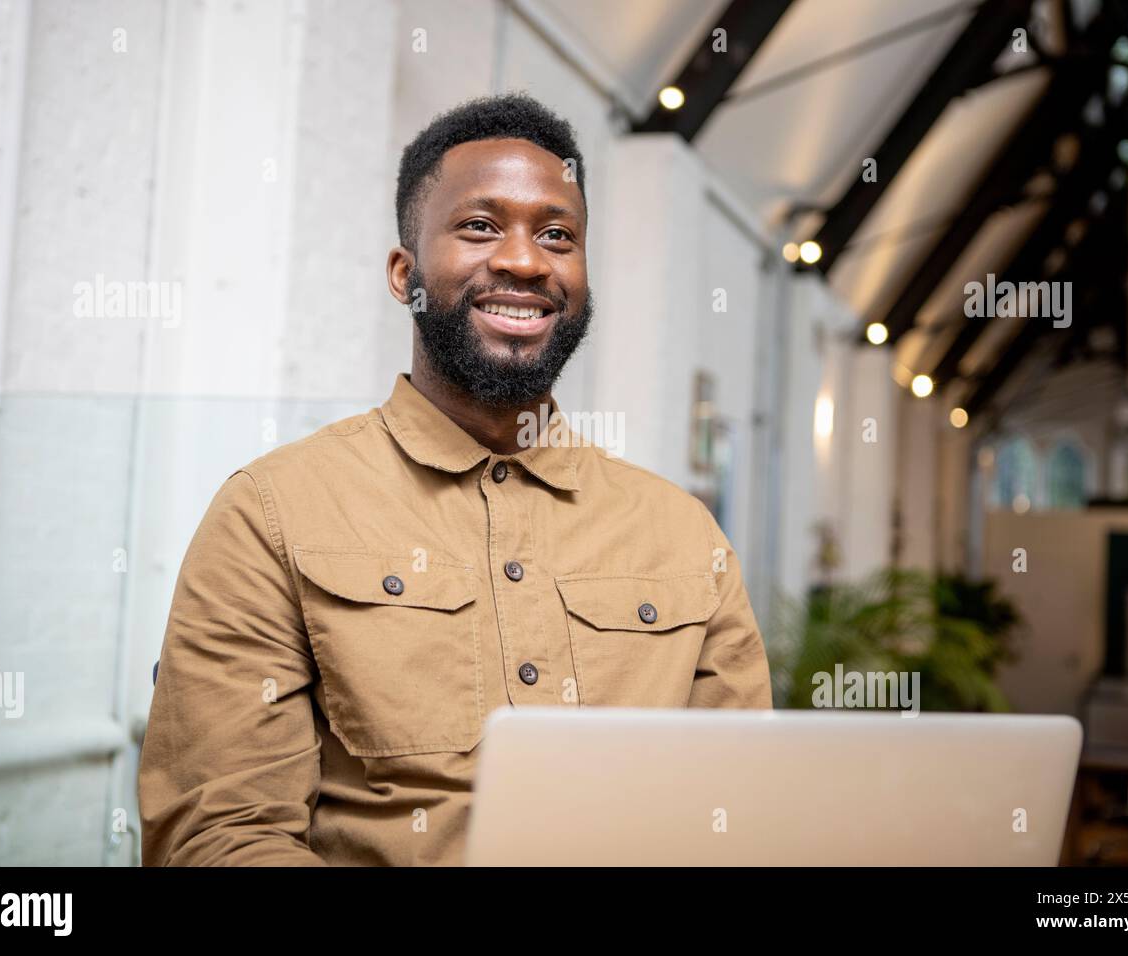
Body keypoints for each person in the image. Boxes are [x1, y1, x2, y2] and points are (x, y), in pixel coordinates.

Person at [138, 93, 772, 866]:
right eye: (479, 226)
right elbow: (218, 833)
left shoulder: (684, 536)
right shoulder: (272, 512)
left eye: (557, 235)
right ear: (405, 274)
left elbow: (735, 817)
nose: (524, 260)